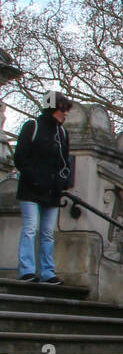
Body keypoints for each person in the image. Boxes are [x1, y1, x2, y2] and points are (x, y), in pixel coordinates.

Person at [12, 91, 75, 285]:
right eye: (63, 110)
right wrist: (36, 179)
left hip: (52, 191)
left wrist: (61, 182)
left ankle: (48, 272)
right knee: (31, 228)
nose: (65, 115)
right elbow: (20, 157)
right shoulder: (33, 127)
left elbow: (65, 162)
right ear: (53, 109)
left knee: (48, 232)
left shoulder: (62, 133)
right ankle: (27, 270)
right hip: (31, 189)